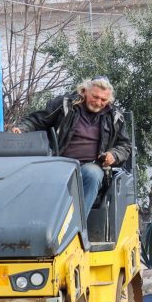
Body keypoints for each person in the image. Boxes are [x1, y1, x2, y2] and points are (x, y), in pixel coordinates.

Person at [11, 76, 131, 212]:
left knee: (92, 174)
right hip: (59, 163)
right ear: (85, 91)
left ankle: (76, 228)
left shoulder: (114, 116)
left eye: (103, 100)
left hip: (90, 166)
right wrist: (22, 128)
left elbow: (125, 145)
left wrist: (113, 155)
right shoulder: (65, 106)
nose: (98, 102)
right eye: (95, 97)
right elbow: (38, 119)